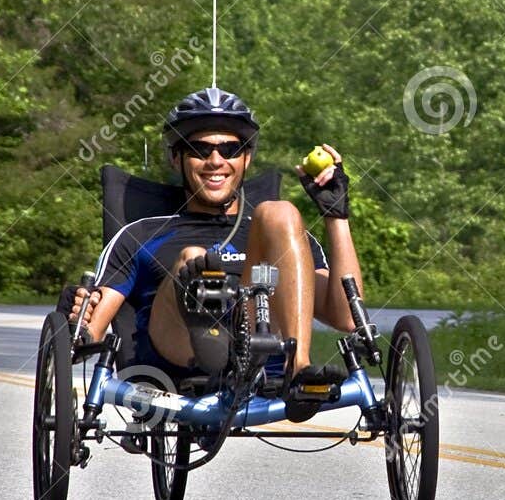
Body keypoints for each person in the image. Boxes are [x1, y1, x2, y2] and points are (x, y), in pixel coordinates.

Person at [73, 86, 361, 419]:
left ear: (246, 158)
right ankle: (207, 336)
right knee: (192, 258)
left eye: (230, 149)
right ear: (176, 158)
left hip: (252, 338)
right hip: (174, 354)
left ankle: (298, 369)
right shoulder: (140, 233)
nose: (216, 161)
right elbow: (90, 331)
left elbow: (345, 317)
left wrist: (336, 217)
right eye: (200, 149)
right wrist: (78, 318)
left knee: (280, 211)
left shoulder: (279, 235)